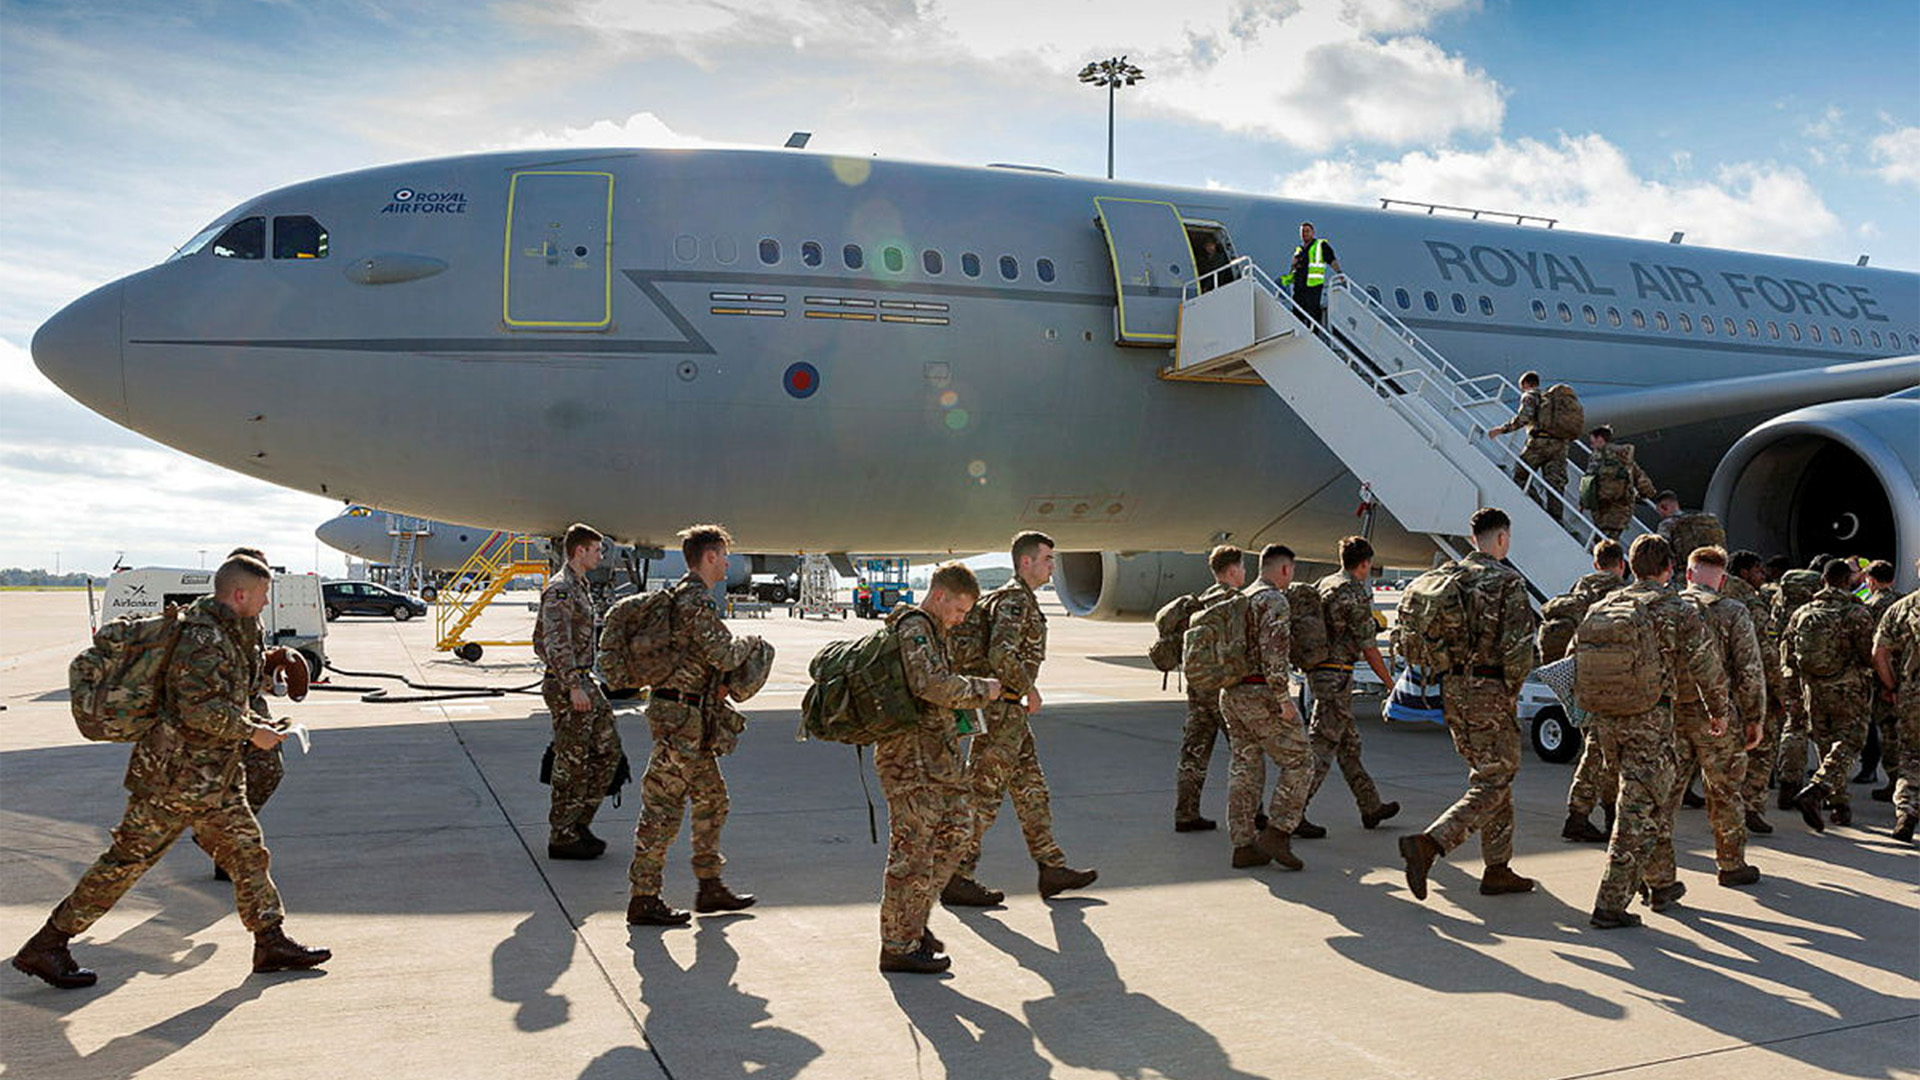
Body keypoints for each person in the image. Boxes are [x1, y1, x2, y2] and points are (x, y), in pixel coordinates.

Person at [11, 555, 329, 988]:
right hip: (174, 780)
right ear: (240, 594)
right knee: (125, 864)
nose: (267, 600)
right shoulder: (203, 637)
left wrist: (265, 688)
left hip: (215, 777)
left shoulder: (237, 631)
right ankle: (47, 945)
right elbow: (196, 709)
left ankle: (270, 942)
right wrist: (251, 732)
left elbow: (229, 692)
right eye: (262, 593)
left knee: (248, 853)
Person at [1582, 536, 1732, 929]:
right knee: (1638, 811)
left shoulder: (1603, 605)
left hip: (1605, 721)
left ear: (1631, 567)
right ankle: (1609, 905)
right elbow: (1707, 666)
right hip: (1648, 721)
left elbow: (1573, 661)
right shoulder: (1676, 608)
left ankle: (1661, 884)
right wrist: (1719, 712)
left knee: (1648, 800)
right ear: (1668, 570)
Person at [945, 531, 1097, 907]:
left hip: (1009, 711)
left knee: (1032, 791)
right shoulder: (1014, 600)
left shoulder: (1016, 598)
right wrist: (1029, 687)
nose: (1051, 565)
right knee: (985, 793)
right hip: (1002, 711)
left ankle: (1051, 866)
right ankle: (956, 875)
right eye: (1047, 558)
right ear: (1025, 562)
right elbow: (1001, 654)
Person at [1399, 508, 1539, 902]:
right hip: (1490, 689)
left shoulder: (1451, 577)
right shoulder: (1507, 581)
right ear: (1502, 539)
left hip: (1454, 687)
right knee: (1496, 779)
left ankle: (1498, 868)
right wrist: (1511, 690)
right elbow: (1517, 649)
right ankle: (1431, 843)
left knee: (1492, 775)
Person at [627, 525, 761, 926]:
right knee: (662, 809)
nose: (727, 563)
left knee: (712, 800)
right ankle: (644, 897)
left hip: (690, 719)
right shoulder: (693, 601)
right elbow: (722, 653)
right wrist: (752, 642)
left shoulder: (683, 598)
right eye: (723, 556)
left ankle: (709, 886)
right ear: (709, 557)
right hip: (678, 721)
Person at [875, 563, 1001, 974]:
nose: (961, 619)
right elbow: (928, 684)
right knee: (911, 853)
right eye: (960, 610)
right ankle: (897, 945)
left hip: (936, 760)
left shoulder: (935, 630)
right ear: (940, 596)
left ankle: (911, 925)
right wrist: (982, 689)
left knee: (955, 835)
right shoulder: (915, 627)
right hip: (909, 762)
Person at [1643, 547, 1766, 896]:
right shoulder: (1732, 611)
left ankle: (1660, 876)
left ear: (1688, 574)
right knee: (1725, 790)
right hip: (1718, 716)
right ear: (1723, 579)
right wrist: (1755, 717)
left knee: (1665, 796)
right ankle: (1731, 864)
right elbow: (1749, 670)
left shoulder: (1663, 608)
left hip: (1669, 713)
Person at [195, 545, 303, 882]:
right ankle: (222, 844)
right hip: (218, 713)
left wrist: (273, 662)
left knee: (267, 769)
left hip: (248, 706)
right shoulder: (212, 618)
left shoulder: (252, 616)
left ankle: (224, 845)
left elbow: (248, 662)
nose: (266, 595)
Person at [1219, 544, 1315, 871]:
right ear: (1285, 569)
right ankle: (1278, 831)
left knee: (1245, 766)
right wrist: (1283, 698)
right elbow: (1274, 652)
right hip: (1261, 692)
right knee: (1301, 761)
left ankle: (1243, 845)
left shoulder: (1239, 598)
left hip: (1232, 692)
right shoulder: (1273, 600)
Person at [537, 523, 623, 861]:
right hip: (568, 685)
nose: (601, 556)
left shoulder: (580, 586)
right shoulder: (561, 589)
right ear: (580, 551)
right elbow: (552, 642)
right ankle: (562, 835)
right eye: (597, 550)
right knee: (571, 762)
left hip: (584, 680)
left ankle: (578, 822)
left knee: (608, 751)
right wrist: (572, 684)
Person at [1301, 537, 1399, 831]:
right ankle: (1290, 815)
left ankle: (1371, 807)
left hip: (1319, 671)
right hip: (1336, 675)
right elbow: (1369, 647)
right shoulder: (1353, 593)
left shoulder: (1324, 584)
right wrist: (1389, 682)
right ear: (1365, 564)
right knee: (1321, 746)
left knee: (1349, 745)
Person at [1781, 558, 1879, 831]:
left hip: (1813, 689)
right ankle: (1818, 791)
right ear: (1847, 581)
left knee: (1825, 745)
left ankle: (1839, 805)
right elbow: (1867, 654)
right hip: (1848, 690)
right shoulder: (1856, 612)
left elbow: (1788, 654)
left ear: (1822, 580)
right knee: (1849, 743)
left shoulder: (1802, 612)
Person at [1552, 539, 1631, 842]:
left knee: (1595, 749)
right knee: (1603, 753)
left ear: (1595, 563)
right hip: (1612, 682)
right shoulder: (1620, 592)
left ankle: (1592, 813)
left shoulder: (1578, 588)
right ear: (1621, 564)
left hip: (1581, 678)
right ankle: (1590, 813)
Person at [1173, 549, 1244, 832]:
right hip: (1225, 689)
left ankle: (1186, 813)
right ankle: (1252, 814)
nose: (1243, 572)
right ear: (1232, 571)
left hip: (1198, 689)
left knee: (1193, 753)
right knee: (1243, 753)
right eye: (1241, 567)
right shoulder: (1236, 602)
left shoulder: (1198, 602)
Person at [1725, 550, 1786, 834]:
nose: (1763, 576)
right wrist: (1779, 692)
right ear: (1746, 572)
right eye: (1759, 571)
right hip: (1748, 686)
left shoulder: (1710, 596)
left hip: (1714, 688)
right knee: (1762, 747)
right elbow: (1768, 653)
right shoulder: (1752, 603)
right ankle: (1751, 806)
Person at [1871, 561, 1920, 842]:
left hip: (1912, 693)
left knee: (1911, 755)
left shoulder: (1901, 607)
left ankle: (1906, 812)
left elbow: (1879, 653)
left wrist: (1893, 686)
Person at [1488, 372, 1573, 525]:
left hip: (1540, 443)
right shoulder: (1551, 398)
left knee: (1520, 474)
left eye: (1522, 387)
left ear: (1526, 384)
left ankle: (1538, 507)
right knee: (1555, 484)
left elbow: (1523, 418)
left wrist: (1501, 429)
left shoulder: (1530, 396)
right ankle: (1556, 519)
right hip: (1560, 445)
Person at [1856, 560, 1905, 793]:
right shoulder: (1903, 603)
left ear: (1871, 581)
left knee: (1888, 729)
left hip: (1883, 675)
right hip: (1908, 672)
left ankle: (1896, 782)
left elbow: (1870, 647)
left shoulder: (1870, 606)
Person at [1582, 426, 1657, 541]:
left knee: (1600, 540)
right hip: (1621, 509)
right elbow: (1641, 479)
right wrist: (1646, 494)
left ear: (1600, 440)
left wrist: (1583, 503)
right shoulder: (1625, 457)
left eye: (1593, 442)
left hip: (1600, 509)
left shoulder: (1596, 459)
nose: (1591, 446)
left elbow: (1588, 481)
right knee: (1611, 540)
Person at [1279, 221, 1341, 327]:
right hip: (1299, 287)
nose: (1304, 234)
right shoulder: (1300, 250)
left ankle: (1314, 332)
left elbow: (1331, 260)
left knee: (1312, 311)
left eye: (1307, 231)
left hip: (1313, 286)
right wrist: (1290, 276)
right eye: (1302, 231)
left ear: (1313, 233)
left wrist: (1339, 273)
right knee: (1298, 311)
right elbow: (1295, 266)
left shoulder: (1320, 245)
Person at [1654, 492, 1726, 570]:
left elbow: (1661, 548)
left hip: (1688, 569)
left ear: (1663, 507)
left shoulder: (1667, 524)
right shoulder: (1704, 521)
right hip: (1715, 566)